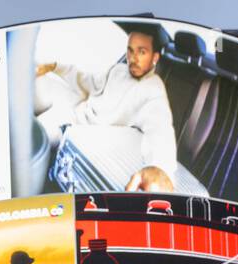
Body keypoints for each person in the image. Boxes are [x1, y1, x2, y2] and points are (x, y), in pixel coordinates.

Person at [34, 28, 177, 192]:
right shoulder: (118, 70)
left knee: (37, 134)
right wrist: (56, 67)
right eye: (130, 51)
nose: (133, 58)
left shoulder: (154, 88)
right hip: (77, 114)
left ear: (154, 58)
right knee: (35, 107)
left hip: (86, 136)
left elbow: (160, 129)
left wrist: (161, 168)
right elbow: (88, 81)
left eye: (141, 52)